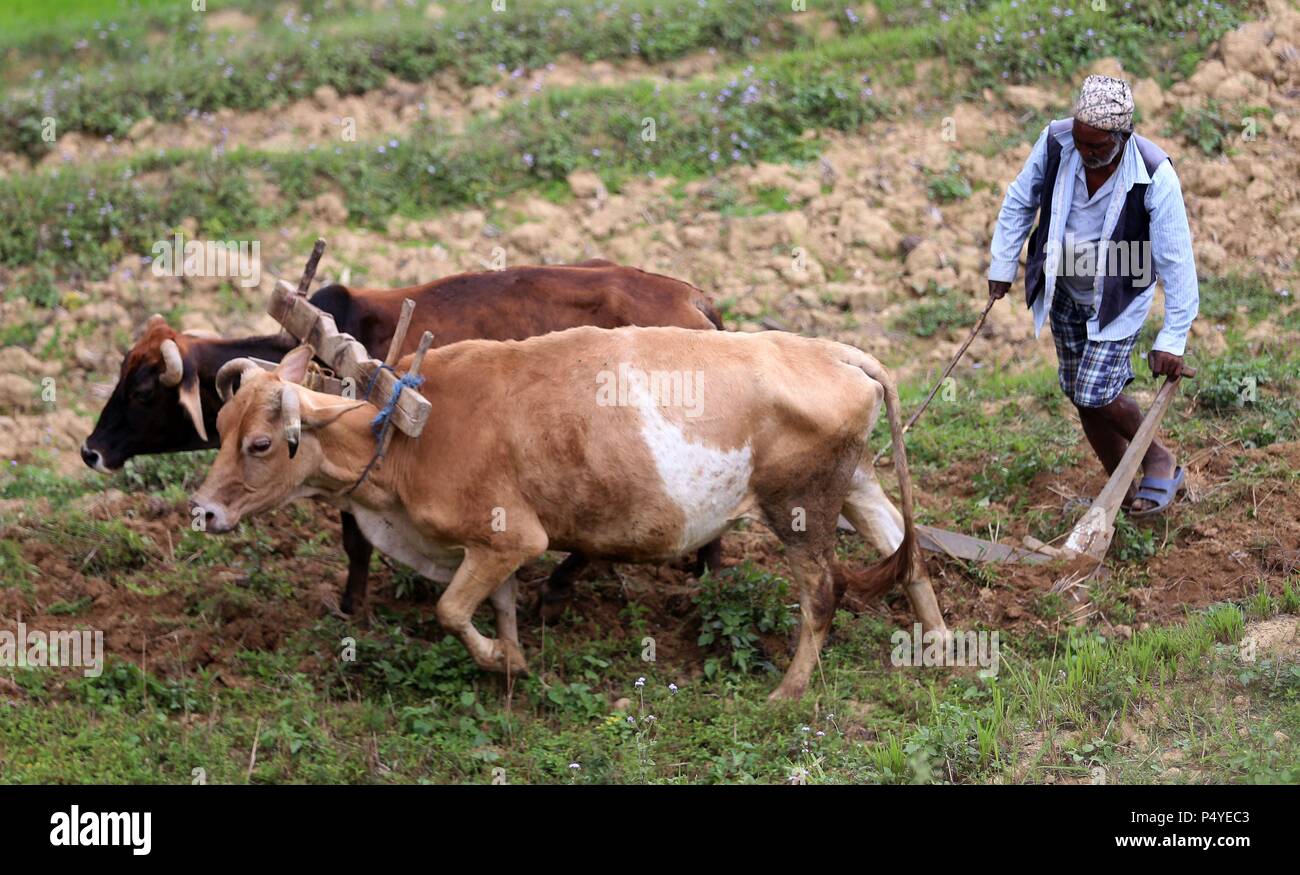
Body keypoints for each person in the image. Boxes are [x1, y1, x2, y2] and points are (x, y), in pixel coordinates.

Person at [987, 75, 1199, 516]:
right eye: (1081, 144)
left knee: (1095, 390)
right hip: (1064, 289)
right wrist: (1003, 266)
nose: (1085, 155)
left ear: (1123, 136)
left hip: (1117, 298)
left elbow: (1177, 261)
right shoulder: (1056, 142)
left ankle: (1157, 457)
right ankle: (1119, 487)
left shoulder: (1155, 174)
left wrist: (1172, 338)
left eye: (1097, 148)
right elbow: (1019, 201)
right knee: (1079, 392)